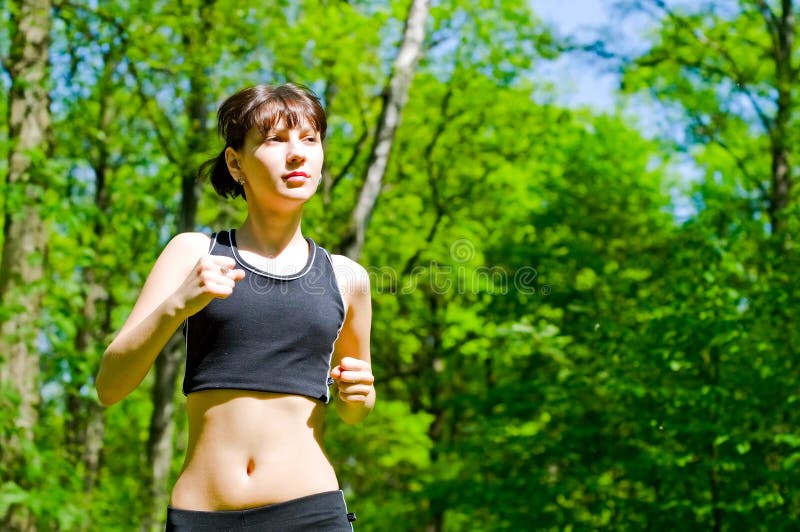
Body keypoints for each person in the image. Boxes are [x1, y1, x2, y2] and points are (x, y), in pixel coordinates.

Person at [95, 83, 375, 531]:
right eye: (274, 140)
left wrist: (360, 395)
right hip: (201, 517)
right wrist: (177, 306)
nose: (297, 154)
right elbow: (109, 386)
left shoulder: (348, 278)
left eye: (310, 139)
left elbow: (354, 408)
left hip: (311, 514)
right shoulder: (194, 254)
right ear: (235, 163)